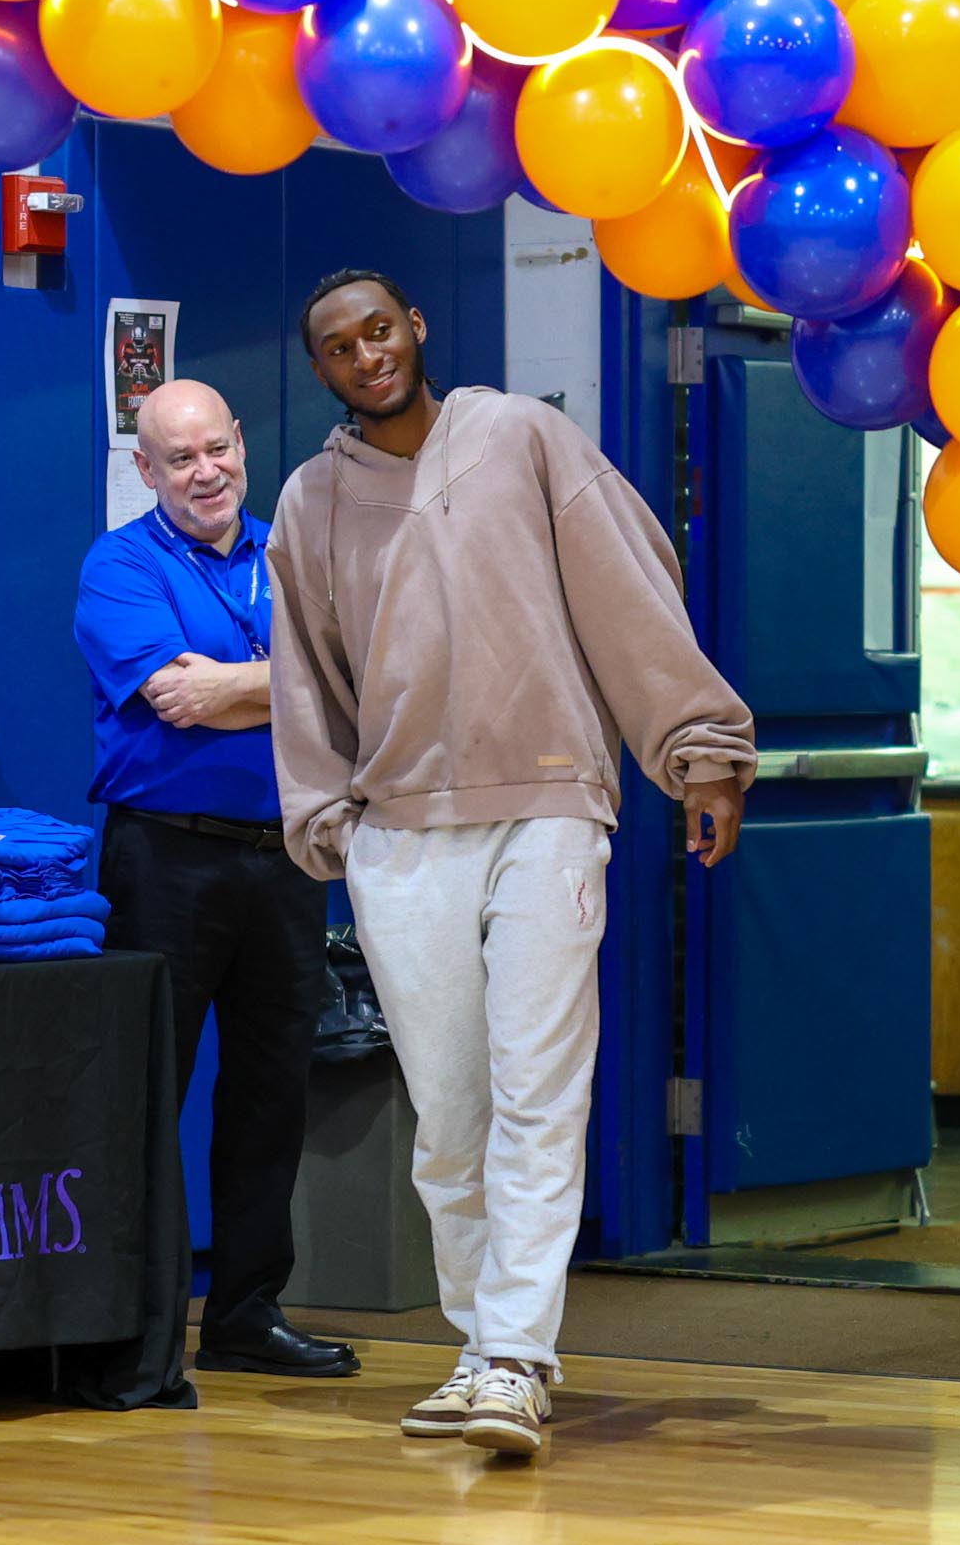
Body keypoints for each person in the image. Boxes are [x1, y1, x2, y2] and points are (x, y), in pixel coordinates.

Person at [266, 271, 755, 1456]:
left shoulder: (523, 437)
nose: (364, 354)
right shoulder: (308, 501)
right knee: (449, 1113)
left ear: (417, 326)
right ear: (321, 369)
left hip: (546, 804)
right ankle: (481, 1342)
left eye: (378, 328)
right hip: (400, 834)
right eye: (337, 346)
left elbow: (630, 594)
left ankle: (517, 1359)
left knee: (540, 1090)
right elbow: (301, 672)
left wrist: (699, 750)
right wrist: (327, 814)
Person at [74, 379, 359, 1380]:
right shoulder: (119, 564)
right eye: (178, 458)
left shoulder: (296, 553)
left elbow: (352, 682)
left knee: (270, 1089)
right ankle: (136, 1328)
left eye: (215, 449)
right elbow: (175, 698)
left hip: (285, 853)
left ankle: (244, 1310)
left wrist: (244, 682)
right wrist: (293, 683)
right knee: (151, 1088)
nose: (204, 472)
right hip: (164, 858)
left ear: (240, 442)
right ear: (145, 470)